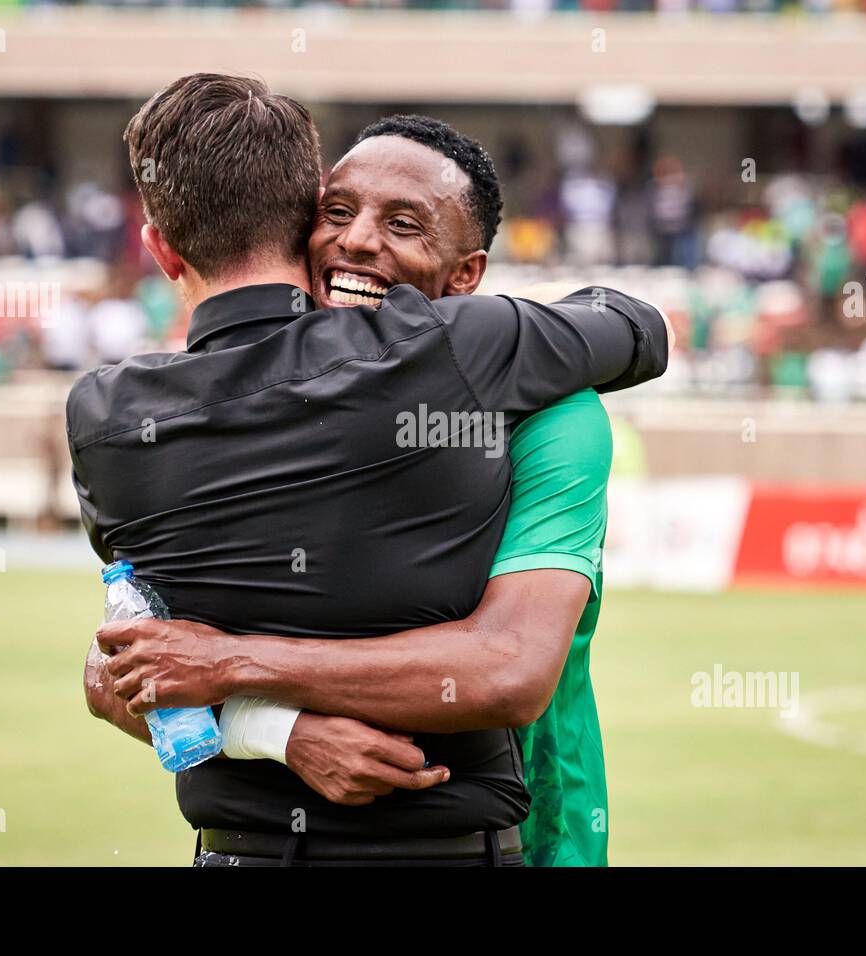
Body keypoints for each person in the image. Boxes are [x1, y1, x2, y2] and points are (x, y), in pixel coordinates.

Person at [68, 74, 670, 866]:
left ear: (465, 276)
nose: (355, 242)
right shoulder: (463, 351)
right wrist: (287, 734)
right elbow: (120, 672)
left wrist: (232, 669)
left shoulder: (106, 414)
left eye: (403, 224)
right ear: (299, 222)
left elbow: (510, 669)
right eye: (340, 213)